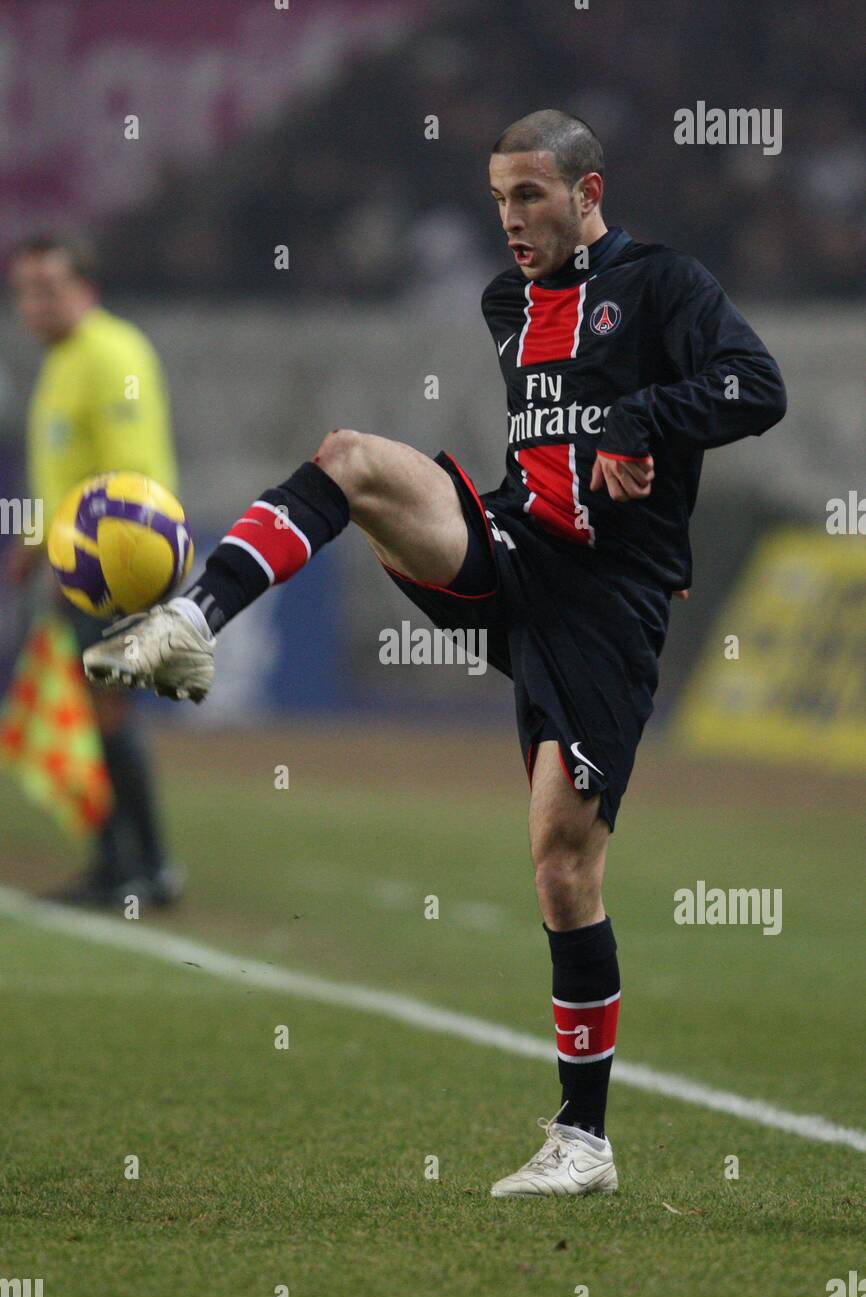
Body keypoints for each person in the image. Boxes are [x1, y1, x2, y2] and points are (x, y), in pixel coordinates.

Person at [81, 111, 786, 1194]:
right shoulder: (506, 303)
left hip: (609, 602)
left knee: (561, 867)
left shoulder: (661, 284)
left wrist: (644, 420)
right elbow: (553, 434)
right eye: (498, 197)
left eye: (530, 197)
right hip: (512, 546)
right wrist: (596, 446)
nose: (508, 219)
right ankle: (192, 621)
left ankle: (583, 1143)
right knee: (350, 460)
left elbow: (756, 384)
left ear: (588, 193)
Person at [5, 234, 183, 908]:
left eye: (47, 288)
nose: (32, 304)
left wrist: (74, 555)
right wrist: (33, 543)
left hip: (119, 561)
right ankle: (118, 862)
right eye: (24, 290)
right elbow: (67, 478)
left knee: (109, 711)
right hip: (84, 561)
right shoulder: (64, 362)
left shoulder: (112, 355)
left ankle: (148, 867)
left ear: (86, 288)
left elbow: (126, 477)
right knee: (92, 710)